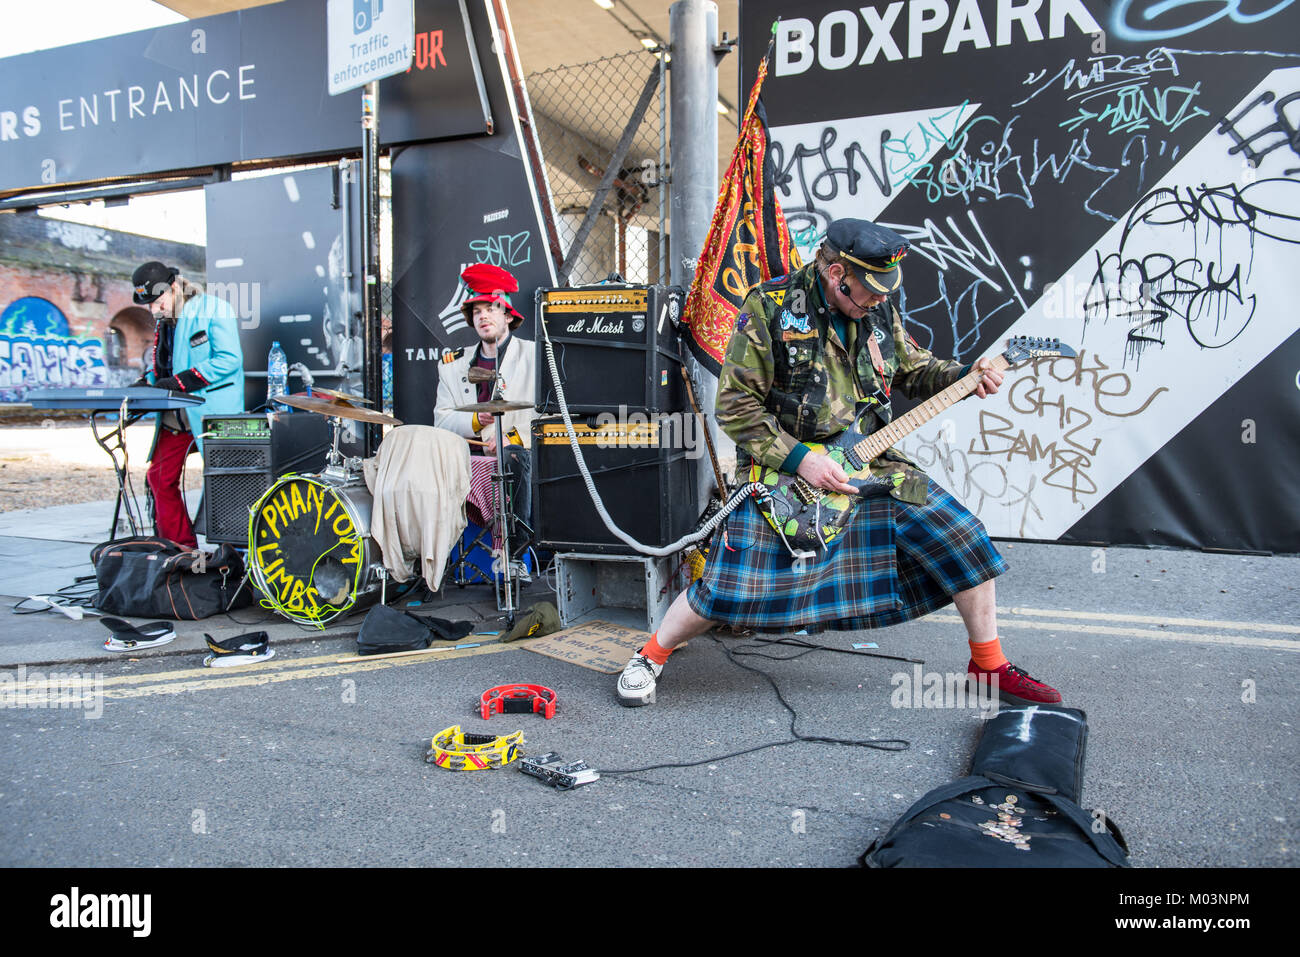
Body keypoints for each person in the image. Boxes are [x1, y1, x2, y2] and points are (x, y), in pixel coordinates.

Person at [616, 219, 1061, 708]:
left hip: (871, 459)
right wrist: (803, 460)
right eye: (868, 290)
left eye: (883, 291)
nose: (877, 300)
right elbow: (736, 408)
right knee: (729, 585)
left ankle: (988, 665)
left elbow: (913, 368)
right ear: (834, 273)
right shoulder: (769, 307)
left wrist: (966, 375)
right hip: (785, 470)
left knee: (963, 536)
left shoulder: (877, 309)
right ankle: (651, 654)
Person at [131, 261, 245, 549]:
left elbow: (230, 360)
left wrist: (181, 381)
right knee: (158, 478)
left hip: (212, 411)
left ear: (174, 288)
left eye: (157, 303)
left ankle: (233, 554)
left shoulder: (214, 308)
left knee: (227, 487)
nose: (154, 311)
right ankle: (179, 548)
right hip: (175, 418)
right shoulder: (165, 321)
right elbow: (166, 364)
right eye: (149, 306)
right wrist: (148, 381)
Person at [433, 263, 536, 551]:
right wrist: (477, 420)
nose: (484, 316)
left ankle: (515, 555)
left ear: (507, 314)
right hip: (465, 457)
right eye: (477, 311)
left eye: (490, 308)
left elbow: (549, 415)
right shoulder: (452, 366)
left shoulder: (534, 356)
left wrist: (511, 439)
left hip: (517, 457)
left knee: (512, 456)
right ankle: (436, 556)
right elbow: (441, 422)